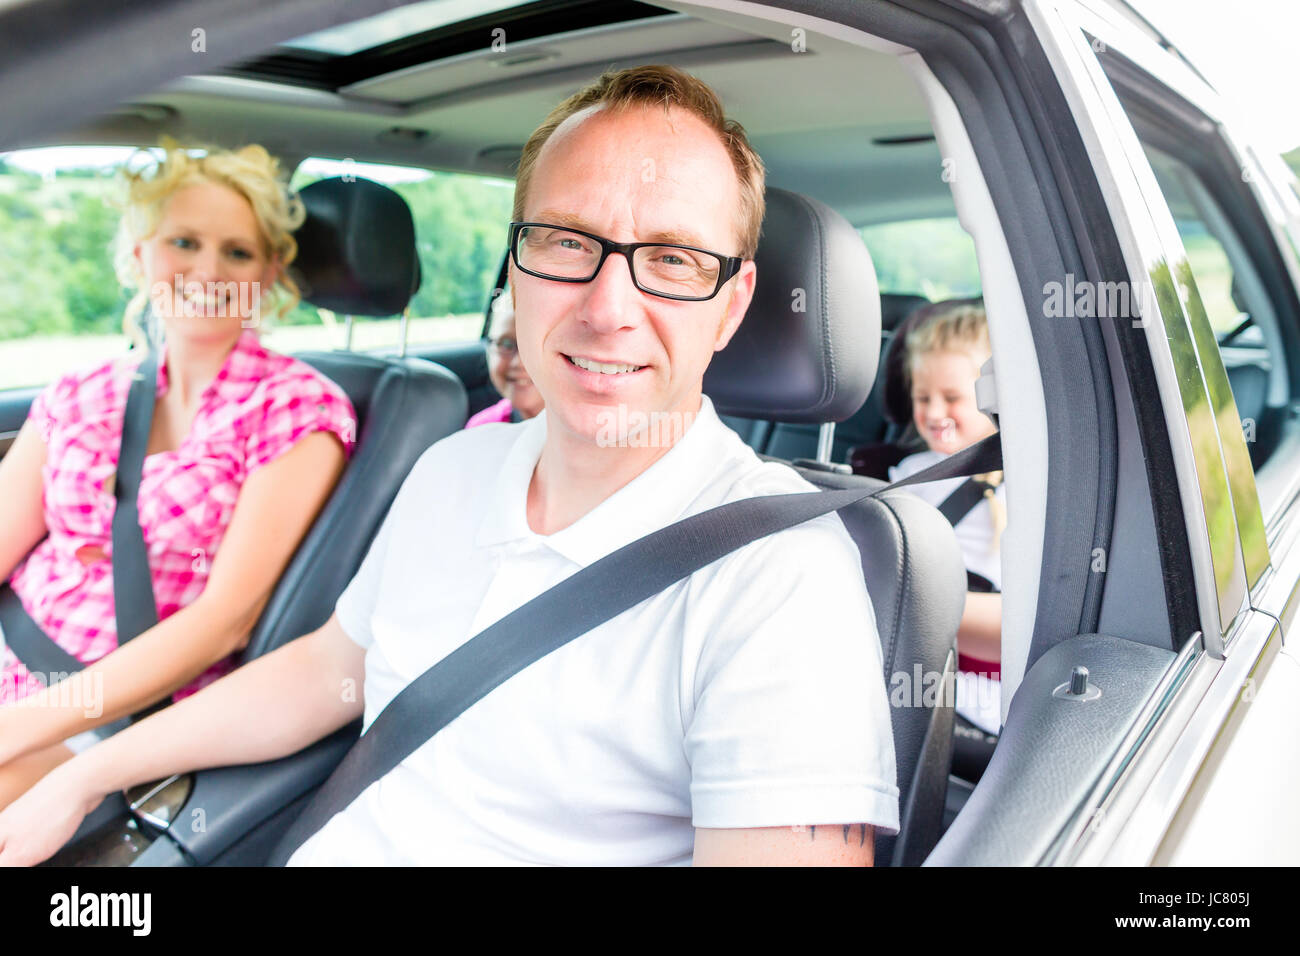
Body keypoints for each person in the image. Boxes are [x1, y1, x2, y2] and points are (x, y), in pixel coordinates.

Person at [0, 65, 897, 867]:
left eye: (672, 259)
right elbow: (324, 674)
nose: (608, 307)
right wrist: (86, 776)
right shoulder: (453, 467)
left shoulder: (783, 575)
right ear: (515, 264)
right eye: (566, 242)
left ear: (734, 304)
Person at [0, 141, 357, 810]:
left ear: (271, 270)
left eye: (238, 252)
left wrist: (14, 729)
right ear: (141, 256)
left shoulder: (296, 409)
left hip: (112, 713)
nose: (207, 269)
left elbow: (225, 620)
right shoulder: (79, 391)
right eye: (184, 241)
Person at [887, 298, 1004, 738]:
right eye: (923, 398)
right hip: (908, 663)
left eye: (953, 398)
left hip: (979, 693)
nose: (935, 414)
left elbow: (1017, 622)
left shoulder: (1020, 487)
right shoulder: (906, 475)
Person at [466, 288, 544, 426]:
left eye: (534, 345)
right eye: (506, 344)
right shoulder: (481, 429)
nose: (519, 362)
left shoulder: (589, 433)